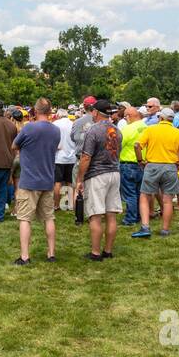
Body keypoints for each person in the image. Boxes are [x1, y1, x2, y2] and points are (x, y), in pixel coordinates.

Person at [10, 98, 60, 264]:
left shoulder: (29, 127)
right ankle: (51, 253)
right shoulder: (55, 130)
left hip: (29, 180)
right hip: (47, 179)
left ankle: (25, 256)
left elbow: (14, 146)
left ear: (35, 111)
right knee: (48, 217)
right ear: (50, 111)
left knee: (25, 218)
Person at [133, 108, 179, 239]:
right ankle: (165, 230)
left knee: (145, 196)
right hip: (170, 167)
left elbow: (137, 145)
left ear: (160, 118)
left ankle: (145, 227)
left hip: (152, 166)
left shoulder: (150, 130)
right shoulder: (178, 133)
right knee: (167, 200)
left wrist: (140, 160)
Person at [74, 99, 122, 260]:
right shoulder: (117, 130)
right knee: (111, 215)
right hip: (114, 173)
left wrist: (80, 179)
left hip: (97, 174)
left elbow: (86, 157)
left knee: (95, 215)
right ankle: (108, 251)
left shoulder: (93, 131)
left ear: (95, 112)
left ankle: (95, 252)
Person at [70, 96, 96, 223]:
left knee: (78, 188)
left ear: (84, 107)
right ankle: (93, 215)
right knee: (94, 189)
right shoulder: (99, 121)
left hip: (80, 158)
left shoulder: (77, 122)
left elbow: (73, 138)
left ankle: (78, 216)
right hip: (95, 160)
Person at [118, 104, 144, 226]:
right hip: (142, 163)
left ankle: (130, 218)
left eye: (124, 117)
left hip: (128, 163)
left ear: (128, 117)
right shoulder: (146, 127)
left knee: (130, 193)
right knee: (139, 192)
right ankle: (138, 215)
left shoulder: (128, 129)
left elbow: (118, 145)